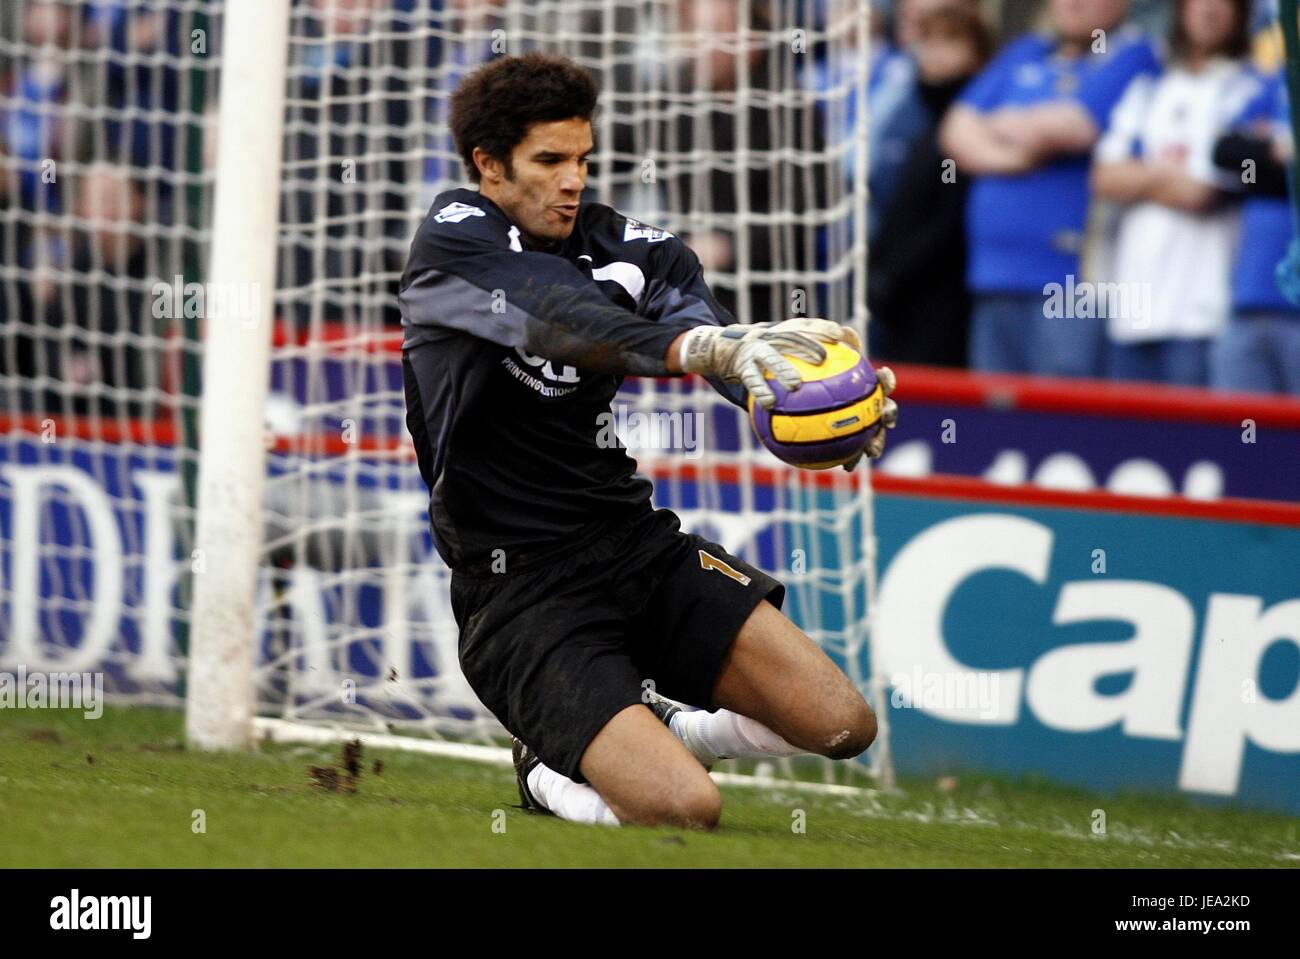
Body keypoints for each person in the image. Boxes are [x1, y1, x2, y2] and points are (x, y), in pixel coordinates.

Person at [399, 54, 897, 829]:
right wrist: (698, 349)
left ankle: (679, 729)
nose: (573, 180)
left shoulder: (636, 250)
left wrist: (814, 400)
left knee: (843, 724)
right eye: (549, 161)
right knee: (687, 808)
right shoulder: (453, 244)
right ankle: (544, 770)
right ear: (489, 165)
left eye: (583, 158)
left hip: (635, 546)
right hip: (519, 589)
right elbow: (559, 318)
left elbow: (715, 341)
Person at [939, 0, 1160, 378]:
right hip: (993, 273)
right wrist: (1016, 158)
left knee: (1061, 407)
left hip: (1070, 282)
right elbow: (955, 131)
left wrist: (994, 125)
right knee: (993, 406)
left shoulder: (1132, 53)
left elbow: (1074, 127)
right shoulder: (1025, 50)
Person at [1091, 0, 1258, 386]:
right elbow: (1103, 178)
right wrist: (1170, 177)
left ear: (1240, 14)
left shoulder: (1248, 86)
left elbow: (1199, 192)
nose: (1209, 10)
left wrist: (1141, 175)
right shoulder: (1149, 87)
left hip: (1203, 312)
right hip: (1131, 312)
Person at [869, 4, 993, 366]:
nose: (935, 53)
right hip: (898, 302)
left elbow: (950, 220)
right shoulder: (917, 121)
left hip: (942, 303)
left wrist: (893, 274)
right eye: (928, 41)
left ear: (978, 55)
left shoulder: (969, 127)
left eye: (950, 41)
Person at [1208, 69, 1300, 394]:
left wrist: (1269, 152)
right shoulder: (1279, 81)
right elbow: (1226, 151)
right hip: (1248, 304)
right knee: (1240, 424)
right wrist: (1280, 156)